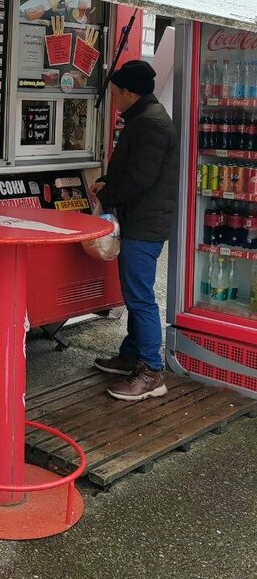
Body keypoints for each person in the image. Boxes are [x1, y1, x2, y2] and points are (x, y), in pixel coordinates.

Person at [92, 59, 179, 400]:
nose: (114, 100)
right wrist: (107, 182)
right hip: (141, 220)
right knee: (133, 293)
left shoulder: (151, 124)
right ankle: (131, 355)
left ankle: (151, 372)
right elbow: (133, 170)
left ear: (129, 93)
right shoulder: (144, 118)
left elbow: (140, 179)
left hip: (144, 225)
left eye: (115, 93)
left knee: (141, 298)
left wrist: (108, 194)